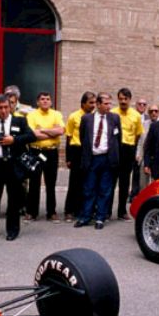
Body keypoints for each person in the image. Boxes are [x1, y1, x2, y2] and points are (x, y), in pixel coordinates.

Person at [0, 94, 34, 241]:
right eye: (0, 108)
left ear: (10, 107)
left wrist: (14, 140)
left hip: (13, 165)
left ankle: (12, 230)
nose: (3, 111)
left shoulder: (20, 121)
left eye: (6, 107)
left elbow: (31, 136)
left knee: (13, 199)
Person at [75, 92, 121, 229]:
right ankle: (85, 217)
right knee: (89, 189)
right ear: (98, 104)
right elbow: (83, 137)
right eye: (106, 104)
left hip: (107, 159)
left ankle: (100, 218)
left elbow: (118, 138)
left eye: (110, 104)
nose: (109, 106)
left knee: (104, 190)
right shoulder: (86, 119)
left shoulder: (114, 118)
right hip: (92, 159)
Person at [25, 91, 65, 222]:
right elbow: (32, 134)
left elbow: (61, 130)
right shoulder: (31, 115)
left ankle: (51, 212)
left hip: (51, 152)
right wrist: (52, 132)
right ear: (38, 102)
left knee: (51, 183)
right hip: (35, 152)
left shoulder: (56, 114)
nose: (45, 101)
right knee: (34, 183)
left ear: (51, 102)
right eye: (42, 99)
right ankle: (32, 212)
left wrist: (42, 129)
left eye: (48, 99)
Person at [112, 87, 145, 221]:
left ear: (130, 100)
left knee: (125, 183)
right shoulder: (113, 113)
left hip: (128, 149)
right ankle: (106, 210)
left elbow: (138, 134)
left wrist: (133, 149)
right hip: (115, 149)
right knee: (111, 181)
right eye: (121, 99)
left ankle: (122, 211)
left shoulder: (136, 115)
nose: (123, 101)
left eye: (125, 99)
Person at [63, 91, 95, 222]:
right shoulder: (74, 116)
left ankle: (82, 210)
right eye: (90, 103)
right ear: (83, 103)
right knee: (74, 182)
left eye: (94, 102)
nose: (93, 105)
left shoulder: (94, 117)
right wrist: (68, 158)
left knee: (87, 182)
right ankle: (69, 211)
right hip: (76, 151)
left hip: (89, 152)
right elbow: (68, 137)